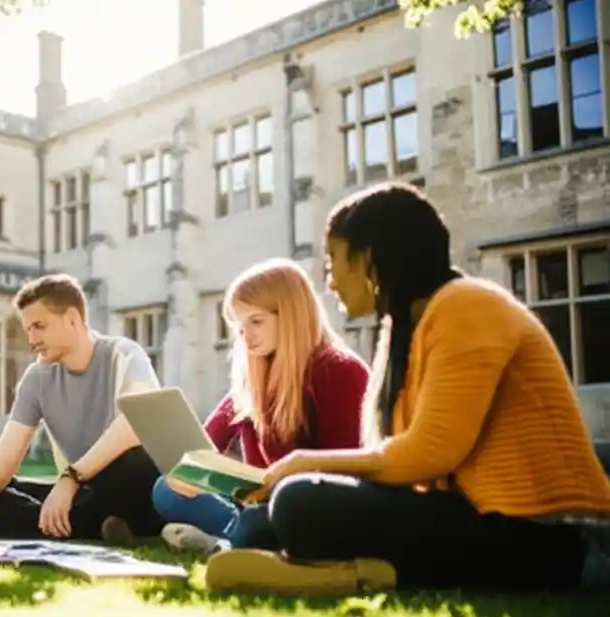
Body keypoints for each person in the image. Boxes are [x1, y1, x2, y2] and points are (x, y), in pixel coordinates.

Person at [205, 182, 610, 594]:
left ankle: (350, 573)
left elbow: (429, 454)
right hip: (468, 516)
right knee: (269, 516)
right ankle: (352, 572)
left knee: (297, 501)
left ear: (369, 259)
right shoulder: (404, 330)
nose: (329, 282)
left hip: (538, 534)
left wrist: (302, 463)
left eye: (332, 261)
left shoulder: (466, 305)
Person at [0, 273, 165, 542]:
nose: (32, 339)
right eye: (28, 329)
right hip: (86, 492)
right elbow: (6, 455)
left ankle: (49, 523)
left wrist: (70, 478)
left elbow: (135, 423)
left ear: (73, 319)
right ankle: (91, 525)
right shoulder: (37, 378)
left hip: (134, 484)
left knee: (130, 465)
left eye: (39, 326)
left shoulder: (125, 354)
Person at [153, 259, 369, 553]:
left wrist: (277, 483)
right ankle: (233, 540)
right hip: (258, 504)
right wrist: (193, 474)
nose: (246, 336)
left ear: (292, 316)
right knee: (166, 490)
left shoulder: (341, 372)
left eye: (256, 321)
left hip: (309, 505)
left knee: (261, 520)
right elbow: (207, 440)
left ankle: (226, 543)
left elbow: (346, 470)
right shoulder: (253, 378)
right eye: (240, 326)